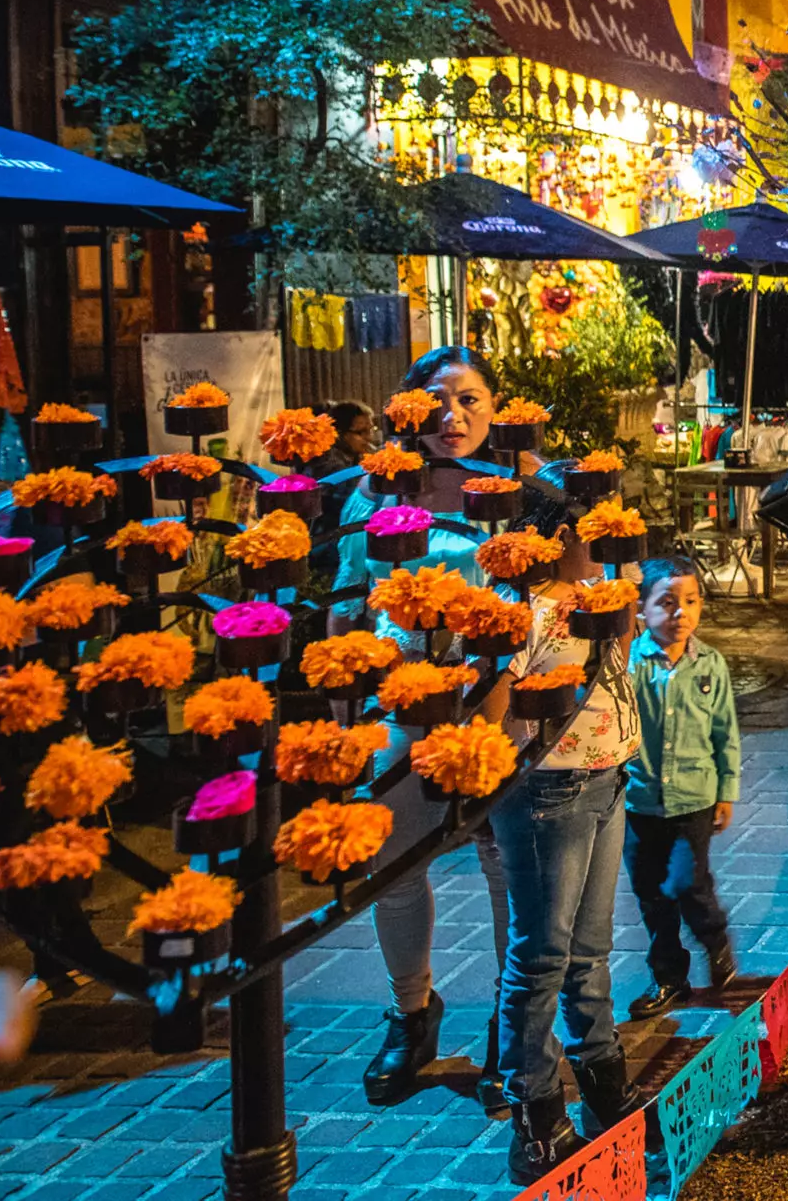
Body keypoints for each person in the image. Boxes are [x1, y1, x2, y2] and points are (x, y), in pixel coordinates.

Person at [334, 349, 511, 1109]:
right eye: (437, 401)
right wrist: (347, 728)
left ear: (495, 409)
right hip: (403, 699)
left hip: (497, 700)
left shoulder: (520, 490)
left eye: (472, 400)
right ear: (405, 409)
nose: (455, 416)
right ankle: (411, 1013)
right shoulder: (375, 492)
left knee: (508, 865)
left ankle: (515, 1022)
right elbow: (347, 602)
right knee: (395, 866)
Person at [483, 530, 643, 1180]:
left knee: (590, 947)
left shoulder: (599, 597)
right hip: (546, 789)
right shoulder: (517, 609)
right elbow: (487, 710)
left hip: (606, 781)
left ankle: (605, 1086)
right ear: (555, 538)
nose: (608, 541)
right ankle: (536, 1111)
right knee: (542, 950)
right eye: (594, 530)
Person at [623, 557, 742, 1019]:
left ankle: (716, 940)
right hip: (641, 800)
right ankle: (669, 977)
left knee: (687, 881)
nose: (681, 613)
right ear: (641, 611)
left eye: (691, 602)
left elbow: (724, 733)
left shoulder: (711, 665)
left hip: (694, 797)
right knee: (650, 891)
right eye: (667, 603)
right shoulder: (630, 666)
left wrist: (726, 791)